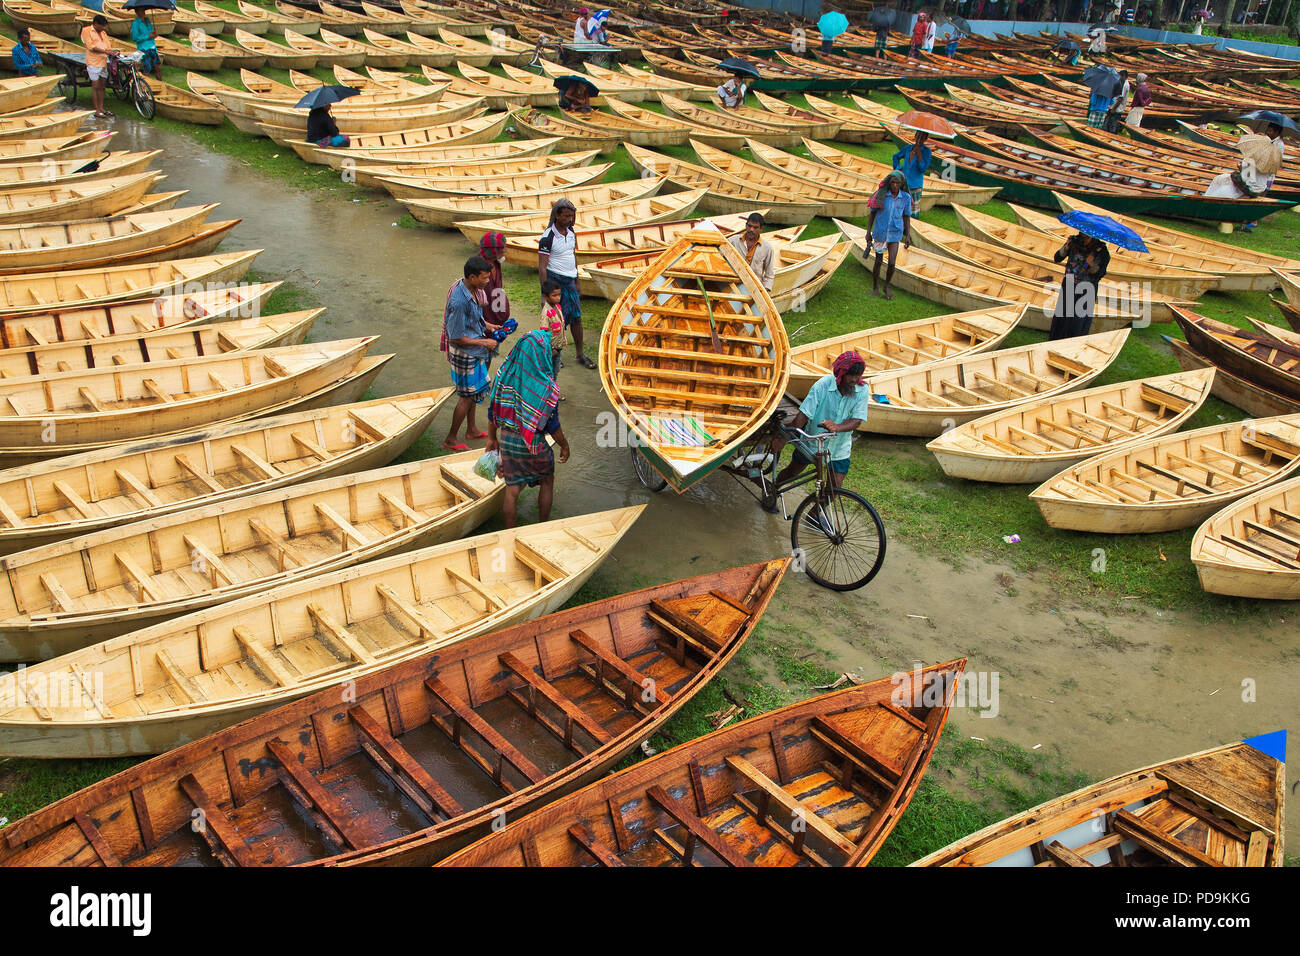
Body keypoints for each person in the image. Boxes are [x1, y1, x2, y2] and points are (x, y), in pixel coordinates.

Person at [761, 351, 870, 512]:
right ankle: (772, 492)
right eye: (850, 376)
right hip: (813, 441)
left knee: (834, 488)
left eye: (857, 376)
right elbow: (803, 416)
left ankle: (814, 513)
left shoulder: (862, 390)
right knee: (792, 472)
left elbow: (857, 420)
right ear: (840, 374)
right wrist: (783, 439)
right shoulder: (822, 385)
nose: (854, 380)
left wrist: (837, 427)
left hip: (839, 448)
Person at [486, 330, 570, 528]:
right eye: (551, 349)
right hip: (532, 443)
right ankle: (541, 527)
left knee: (512, 490)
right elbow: (553, 425)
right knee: (547, 479)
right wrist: (564, 446)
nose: (554, 352)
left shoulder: (504, 375)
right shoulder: (545, 388)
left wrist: (492, 438)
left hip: (507, 440)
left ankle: (509, 532)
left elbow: (493, 412)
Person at [441, 256, 499, 451]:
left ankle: (471, 429)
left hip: (474, 350)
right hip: (464, 353)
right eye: (483, 278)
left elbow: (473, 319)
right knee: (466, 397)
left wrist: (488, 326)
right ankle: (450, 439)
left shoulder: (472, 290)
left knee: (474, 392)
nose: (487, 281)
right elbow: (455, 337)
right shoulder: (459, 301)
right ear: (472, 277)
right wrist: (485, 341)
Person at [538, 198, 595, 369]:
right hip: (555, 281)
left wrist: (577, 280)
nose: (569, 219)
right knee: (556, 321)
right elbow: (542, 266)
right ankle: (554, 353)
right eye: (566, 216)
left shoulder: (571, 232)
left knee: (576, 317)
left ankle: (580, 354)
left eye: (572, 216)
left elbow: (573, 256)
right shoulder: (547, 237)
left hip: (570, 280)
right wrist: (545, 292)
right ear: (556, 216)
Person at [1049, 232, 1109, 339]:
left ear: (1093, 235)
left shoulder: (1101, 251)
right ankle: (1055, 341)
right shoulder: (1073, 241)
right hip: (1069, 284)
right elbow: (1057, 258)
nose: (1083, 236)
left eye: (1086, 235)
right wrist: (1066, 248)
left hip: (1086, 289)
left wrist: (1090, 264)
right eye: (1082, 233)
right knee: (1062, 318)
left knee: (1077, 322)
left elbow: (1100, 274)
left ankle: (1073, 345)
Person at [868, 170, 913, 300]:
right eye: (893, 183)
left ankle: (886, 286)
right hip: (881, 232)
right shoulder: (881, 195)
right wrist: (868, 233)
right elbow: (872, 214)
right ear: (889, 183)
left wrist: (908, 235)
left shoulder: (905, 198)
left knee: (892, 263)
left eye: (897, 183)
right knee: (878, 261)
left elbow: (906, 216)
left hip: (895, 233)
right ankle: (875, 286)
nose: (895, 185)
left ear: (901, 184)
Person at [728, 212, 775, 291]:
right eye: (749, 226)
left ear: (761, 229)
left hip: (754, 288)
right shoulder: (733, 240)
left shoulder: (767, 248)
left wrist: (764, 291)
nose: (751, 229)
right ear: (746, 225)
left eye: (755, 227)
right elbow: (718, 245)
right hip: (732, 284)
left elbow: (769, 275)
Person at [478, 232, 510, 344]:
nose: (505, 250)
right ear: (493, 250)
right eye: (503, 248)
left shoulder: (496, 264)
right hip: (483, 316)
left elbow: (497, 290)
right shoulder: (480, 267)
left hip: (495, 314)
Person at [892, 130, 932, 213]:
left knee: (912, 211)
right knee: (900, 208)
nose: (919, 139)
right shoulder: (908, 148)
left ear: (925, 139)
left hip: (915, 186)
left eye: (922, 137)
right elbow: (895, 156)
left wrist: (919, 154)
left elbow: (923, 168)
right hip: (904, 183)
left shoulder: (927, 152)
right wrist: (898, 169)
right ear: (915, 136)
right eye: (918, 136)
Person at [81, 15, 113, 119]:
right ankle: (97, 109)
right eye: (102, 26)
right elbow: (91, 47)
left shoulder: (103, 33)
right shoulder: (86, 31)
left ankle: (101, 107)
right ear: (95, 24)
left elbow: (107, 46)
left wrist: (111, 52)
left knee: (102, 86)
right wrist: (105, 51)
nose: (103, 28)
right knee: (95, 86)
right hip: (93, 62)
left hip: (103, 61)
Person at [540, 279, 567, 382]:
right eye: (554, 295)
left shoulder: (557, 307)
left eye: (559, 295)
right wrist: (551, 348)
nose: (558, 298)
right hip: (551, 349)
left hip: (558, 347)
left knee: (555, 370)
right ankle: (550, 394)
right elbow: (543, 333)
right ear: (546, 296)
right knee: (550, 371)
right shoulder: (546, 313)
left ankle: (551, 392)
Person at [131, 7, 162, 81]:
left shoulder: (147, 20)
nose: (143, 12)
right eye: (141, 10)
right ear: (137, 12)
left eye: (143, 10)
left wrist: (154, 34)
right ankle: (144, 87)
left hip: (152, 47)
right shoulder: (135, 23)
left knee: (157, 67)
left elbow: (151, 33)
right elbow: (135, 38)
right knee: (147, 69)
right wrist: (147, 36)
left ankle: (161, 84)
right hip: (144, 48)